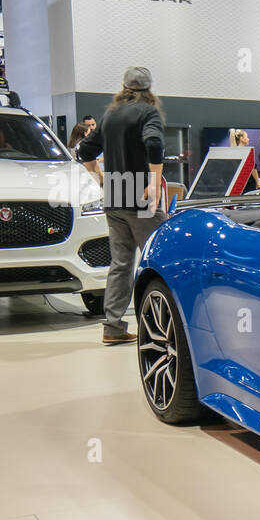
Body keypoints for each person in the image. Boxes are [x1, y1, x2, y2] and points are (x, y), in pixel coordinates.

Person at [76, 66, 166, 345]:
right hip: (139, 197)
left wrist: (99, 176)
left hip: (114, 194)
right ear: (149, 88)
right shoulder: (148, 112)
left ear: (123, 86)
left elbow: (85, 150)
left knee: (121, 262)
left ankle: (112, 326)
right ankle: (164, 324)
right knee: (160, 260)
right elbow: (153, 143)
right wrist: (154, 182)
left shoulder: (110, 115)